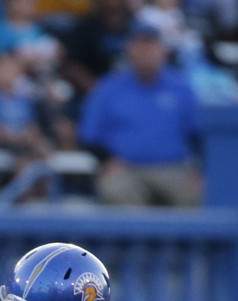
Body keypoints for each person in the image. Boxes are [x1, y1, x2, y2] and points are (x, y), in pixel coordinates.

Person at [78, 21, 202, 208]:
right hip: (126, 169)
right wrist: (107, 160)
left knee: (196, 194)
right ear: (128, 50)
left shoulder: (181, 88)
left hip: (173, 168)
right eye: (139, 46)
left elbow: (199, 135)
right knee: (116, 190)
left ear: (163, 51)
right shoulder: (108, 88)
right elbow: (89, 136)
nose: (145, 52)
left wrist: (200, 171)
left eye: (150, 46)